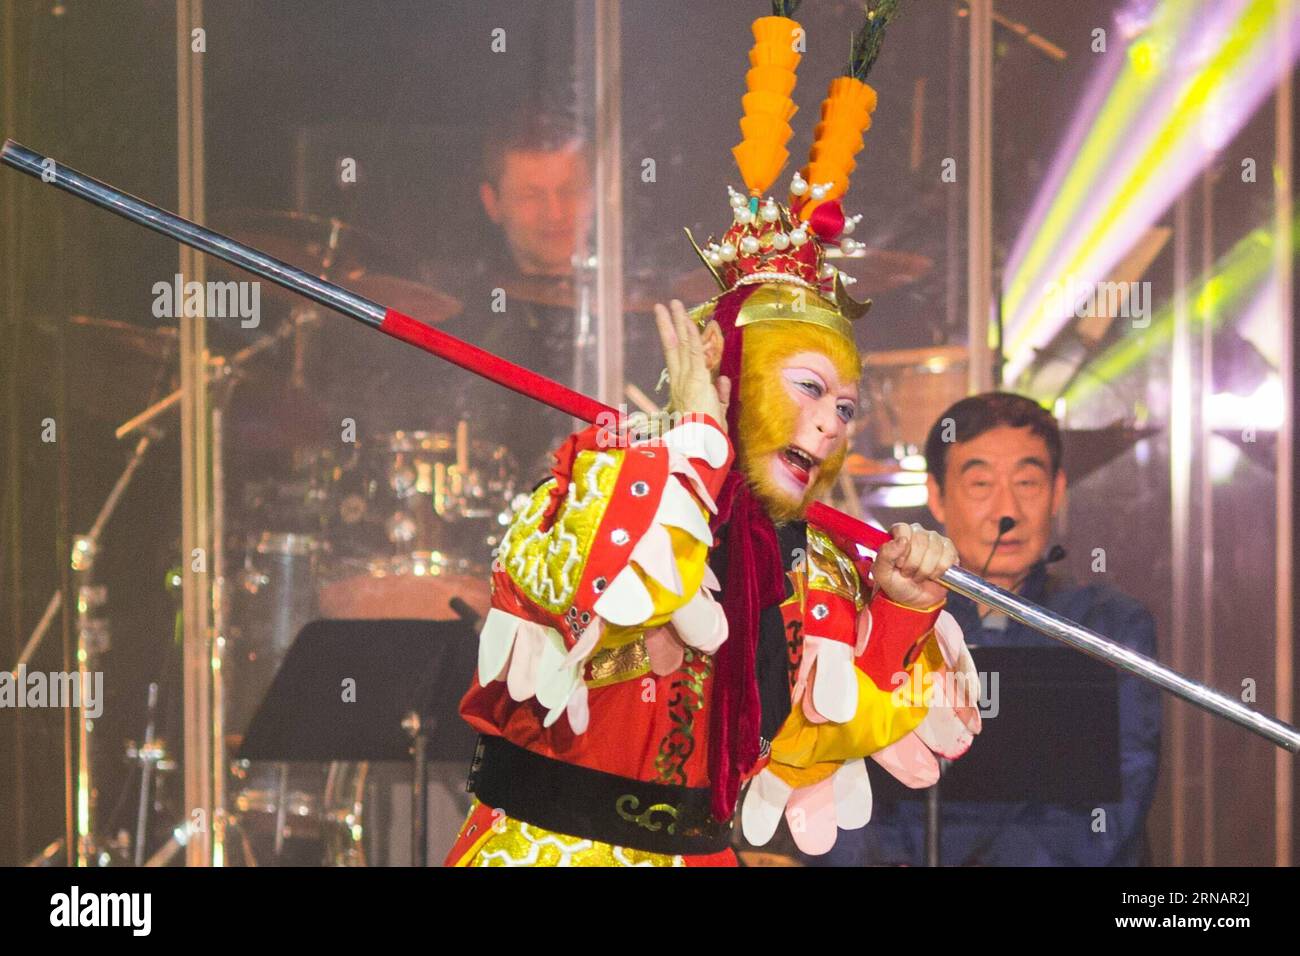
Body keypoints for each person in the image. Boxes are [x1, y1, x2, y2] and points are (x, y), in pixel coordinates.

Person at [442, 10, 983, 867]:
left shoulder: (815, 561)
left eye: (846, 405)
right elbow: (591, 586)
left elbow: (819, 737)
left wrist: (900, 610)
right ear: (725, 378)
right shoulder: (606, 473)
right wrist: (692, 440)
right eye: (808, 388)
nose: (831, 424)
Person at [820, 392, 1162, 866]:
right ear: (936, 496)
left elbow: (1117, 799)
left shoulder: (1108, 627)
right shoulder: (885, 621)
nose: (1008, 509)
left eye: (1027, 482)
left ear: (1058, 492)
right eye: (980, 483)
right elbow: (839, 790)